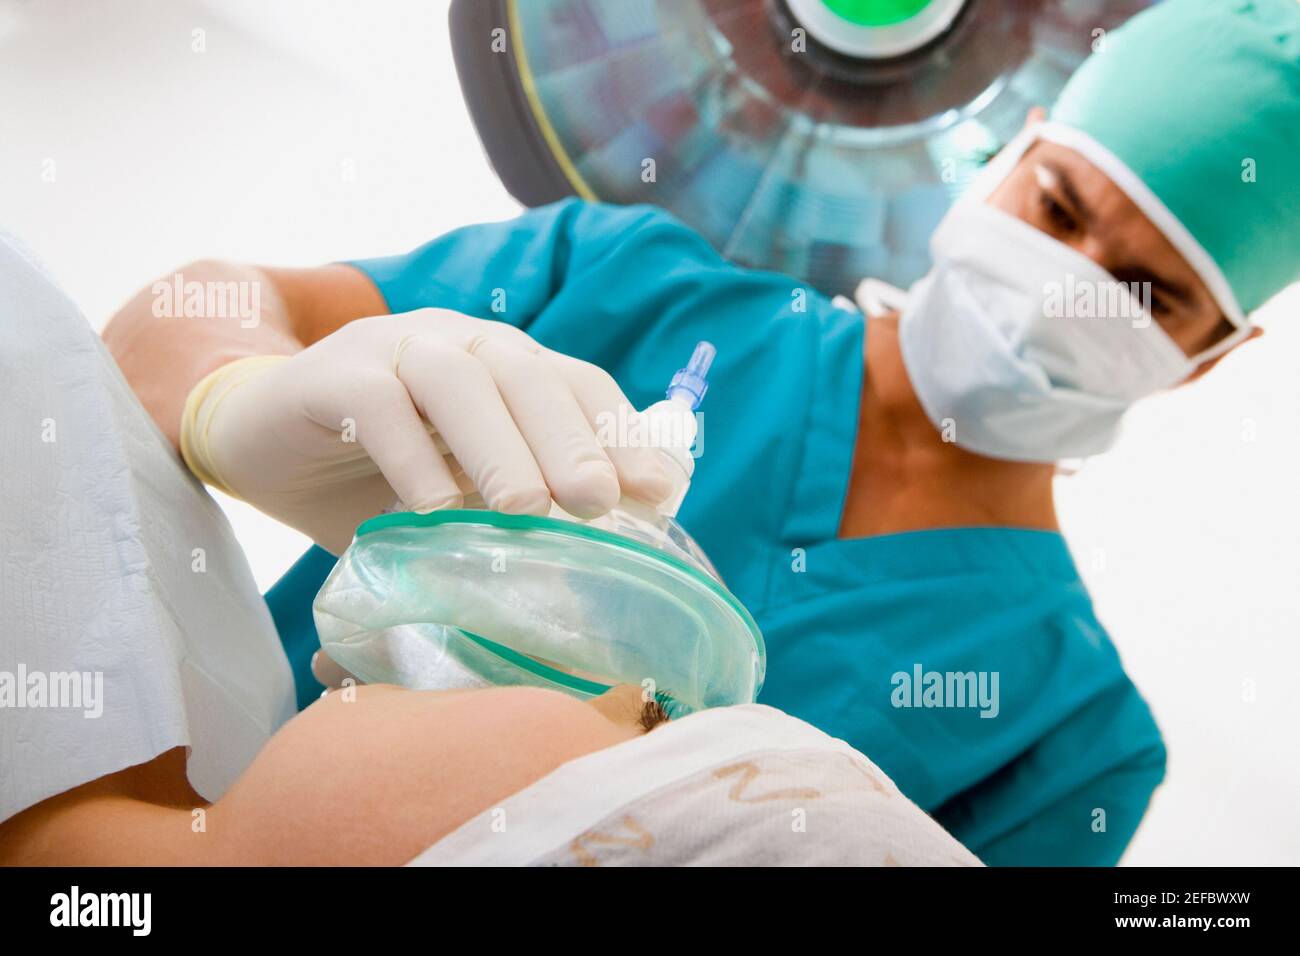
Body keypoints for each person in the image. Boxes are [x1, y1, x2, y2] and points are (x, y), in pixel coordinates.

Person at [105, 0, 1300, 865]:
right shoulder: (633, 281)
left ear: (1211, 356)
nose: (1067, 285)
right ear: (1005, 154)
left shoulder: (1073, 735)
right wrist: (228, 401)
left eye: (1148, 292)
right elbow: (181, 319)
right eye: (1058, 206)